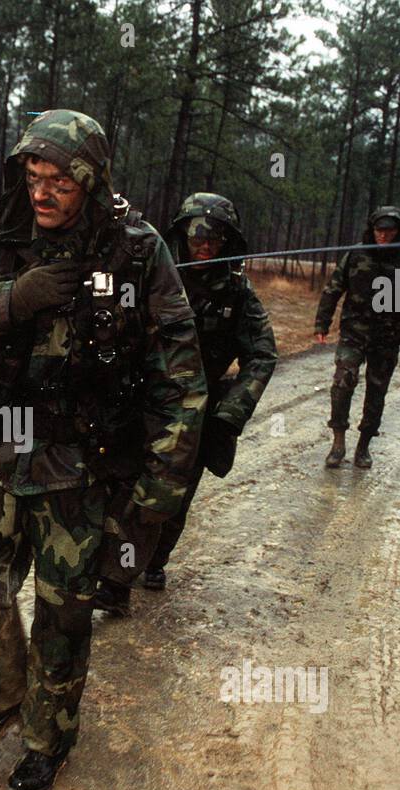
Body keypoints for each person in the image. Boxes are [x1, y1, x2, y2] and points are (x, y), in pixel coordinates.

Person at [0, 110, 205, 790]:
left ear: (91, 181)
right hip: (1, 445)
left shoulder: (136, 253)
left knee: (62, 613)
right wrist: (12, 298)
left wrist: (155, 497)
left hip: (82, 463)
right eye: (33, 175)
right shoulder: (2, 235)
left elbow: (184, 383)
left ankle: (49, 738)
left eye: (59, 183)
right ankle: (1, 696)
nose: (42, 193)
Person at [97, 192, 276, 603]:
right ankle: (116, 577)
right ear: (181, 239)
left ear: (228, 243)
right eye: (197, 239)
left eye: (213, 240)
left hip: (195, 413)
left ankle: (148, 563)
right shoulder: (156, 277)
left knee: (171, 496)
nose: (205, 247)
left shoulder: (238, 296)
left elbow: (262, 355)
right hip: (139, 399)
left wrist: (232, 411)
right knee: (121, 486)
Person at [315, 205, 400, 469]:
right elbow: (333, 289)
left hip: (387, 338)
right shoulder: (356, 254)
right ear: (372, 229)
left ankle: (364, 446)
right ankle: (338, 442)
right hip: (353, 334)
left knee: (376, 391)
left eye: (389, 230)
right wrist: (322, 323)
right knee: (342, 383)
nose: (384, 235)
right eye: (379, 230)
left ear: (398, 231)